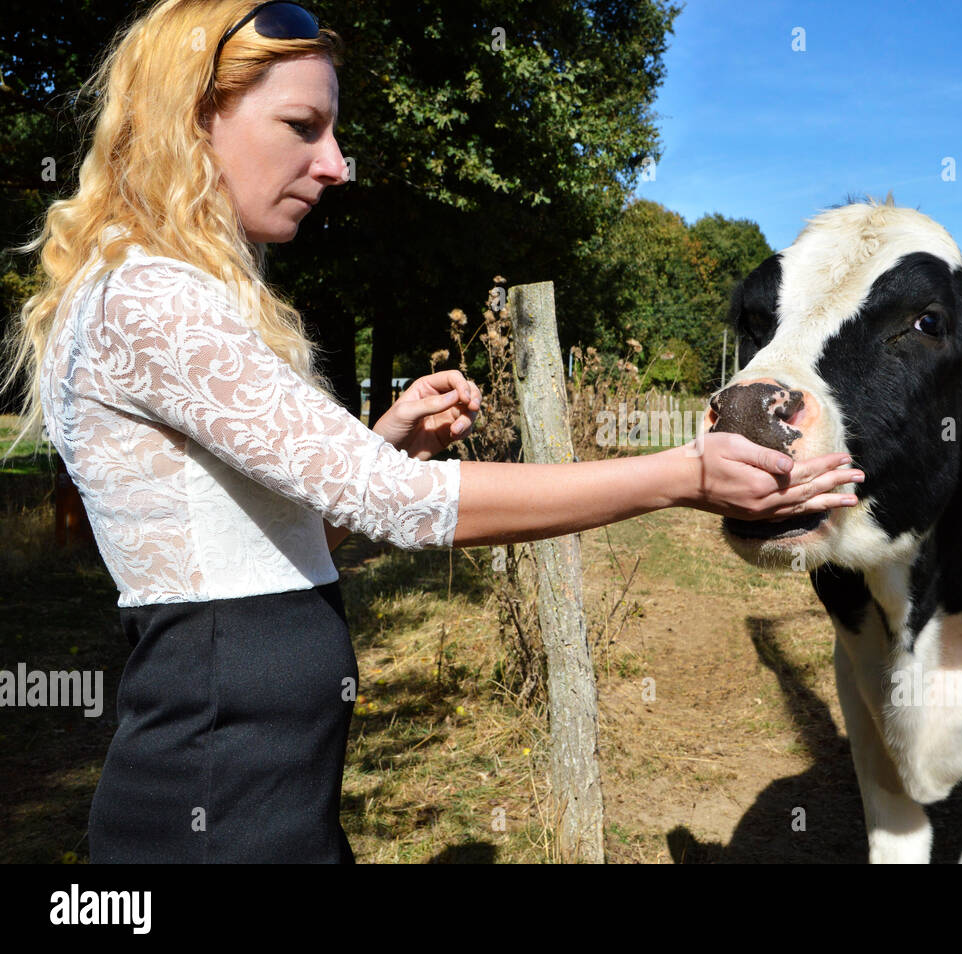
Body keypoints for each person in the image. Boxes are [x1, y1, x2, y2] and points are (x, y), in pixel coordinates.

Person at [0, 0, 862, 863]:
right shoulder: (152, 297)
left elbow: (281, 544)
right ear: (190, 117)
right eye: (301, 126)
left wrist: (389, 443)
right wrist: (683, 475)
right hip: (217, 811)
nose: (335, 166)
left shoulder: (146, 289)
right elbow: (402, 509)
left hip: (257, 797)